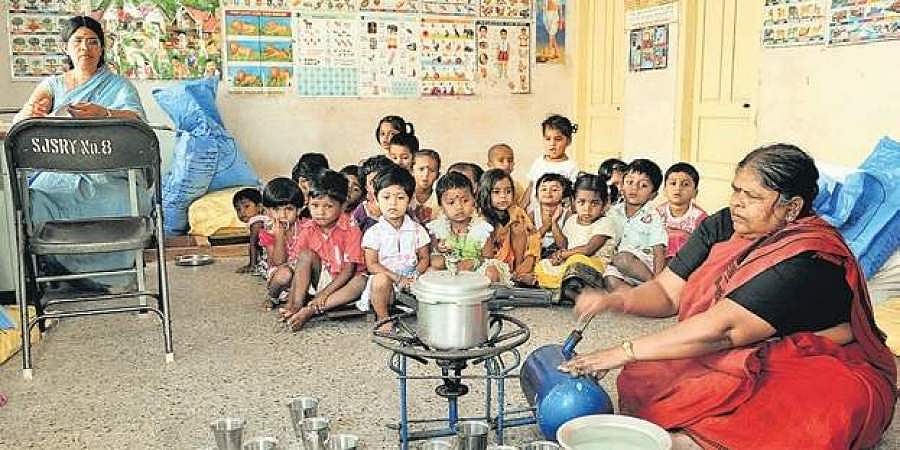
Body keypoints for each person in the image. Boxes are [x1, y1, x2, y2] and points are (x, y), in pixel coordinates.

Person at [561, 144, 897, 449]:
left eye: (751, 196)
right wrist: (614, 299)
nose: (736, 202)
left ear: (792, 208)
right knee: (644, 379)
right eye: (736, 190)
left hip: (816, 359)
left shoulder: (807, 256)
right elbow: (666, 291)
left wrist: (621, 351)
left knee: (814, 415)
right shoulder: (724, 224)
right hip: (741, 348)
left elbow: (725, 330)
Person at [12, 16, 146, 283]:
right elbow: (20, 123)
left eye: (93, 42)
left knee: (121, 197)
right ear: (66, 48)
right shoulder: (52, 84)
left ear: (102, 49)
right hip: (61, 171)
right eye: (78, 41)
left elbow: (138, 122)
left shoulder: (118, 85)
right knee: (34, 197)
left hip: (108, 172)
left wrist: (105, 113)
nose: (86, 47)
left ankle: (106, 277)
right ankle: (57, 268)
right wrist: (34, 111)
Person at [281, 170, 367, 330]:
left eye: (328, 206)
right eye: (315, 205)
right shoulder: (307, 228)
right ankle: (297, 307)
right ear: (308, 203)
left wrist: (324, 294)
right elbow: (298, 267)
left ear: (343, 206)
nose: (320, 212)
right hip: (321, 278)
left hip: (345, 284)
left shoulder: (351, 229)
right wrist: (291, 300)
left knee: (361, 281)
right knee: (305, 255)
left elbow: (349, 271)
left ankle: (311, 310)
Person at [360, 167, 431, 332]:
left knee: (432, 272)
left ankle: (427, 312)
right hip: (388, 286)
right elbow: (372, 265)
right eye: (386, 197)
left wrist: (414, 275)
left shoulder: (417, 229)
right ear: (376, 200)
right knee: (379, 280)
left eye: (400, 197)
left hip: (412, 282)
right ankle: (383, 317)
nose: (392, 204)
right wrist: (398, 278)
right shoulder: (374, 232)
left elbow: (424, 258)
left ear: (410, 199)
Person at [534, 173, 620, 289]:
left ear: (605, 204)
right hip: (570, 263)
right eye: (581, 202)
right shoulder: (572, 220)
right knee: (542, 264)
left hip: (594, 267)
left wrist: (563, 254)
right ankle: (572, 290)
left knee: (577, 260)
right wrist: (554, 223)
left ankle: (571, 289)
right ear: (574, 201)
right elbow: (563, 245)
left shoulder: (605, 223)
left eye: (594, 203)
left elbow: (588, 249)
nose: (587, 208)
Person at [603, 159, 667, 292]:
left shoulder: (653, 216)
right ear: (622, 185)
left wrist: (658, 278)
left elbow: (659, 252)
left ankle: (655, 288)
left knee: (622, 259)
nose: (634, 188)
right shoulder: (613, 212)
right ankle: (636, 296)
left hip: (644, 264)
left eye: (643, 185)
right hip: (618, 264)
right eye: (629, 182)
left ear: (653, 195)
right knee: (609, 279)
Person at [478, 169, 541, 286]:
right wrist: (507, 226)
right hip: (493, 263)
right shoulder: (482, 217)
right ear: (486, 193)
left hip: (516, 261)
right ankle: (515, 277)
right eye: (496, 192)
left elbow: (533, 236)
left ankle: (517, 273)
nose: (503, 196)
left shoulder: (517, 212)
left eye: (508, 191)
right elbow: (488, 251)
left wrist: (530, 258)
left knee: (518, 226)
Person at [427, 172, 493, 273]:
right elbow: (434, 254)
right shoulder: (438, 228)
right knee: (433, 266)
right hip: (450, 267)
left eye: (465, 200)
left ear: (474, 200)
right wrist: (440, 250)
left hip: (475, 270)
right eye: (451, 202)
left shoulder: (481, 229)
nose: (459, 207)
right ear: (441, 205)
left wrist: (473, 263)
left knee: (491, 271)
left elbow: (488, 257)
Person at [258, 178, 304, 306]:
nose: (282, 215)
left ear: (298, 210)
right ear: (267, 211)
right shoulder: (268, 232)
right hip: (281, 272)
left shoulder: (306, 227)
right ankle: (272, 296)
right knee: (285, 274)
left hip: (302, 272)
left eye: (289, 209)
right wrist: (279, 237)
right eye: (276, 209)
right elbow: (278, 262)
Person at [525, 115, 579, 206]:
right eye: (548, 139)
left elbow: (573, 197)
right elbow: (530, 189)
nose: (552, 144)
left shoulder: (571, 167)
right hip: (535, 212)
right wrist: (521, 209)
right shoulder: (539, 162)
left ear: (568, 141)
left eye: (558, 139)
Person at [658, 162, 707, 260]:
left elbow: (702, 247)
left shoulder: (700, 218)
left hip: (684, 263)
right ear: (664, 190)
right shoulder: (657, 213)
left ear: (695, 192)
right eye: (673, 183)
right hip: (659, 259)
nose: (678, 188)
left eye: (685, 184)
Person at [530, 173, 572, 259]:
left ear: (564, 196)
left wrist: (554, 222)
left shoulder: (567, 215)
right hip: (536, 252)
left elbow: (563, 246)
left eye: (554, 190)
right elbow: (530, 242)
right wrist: (545, 226)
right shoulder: (533, 214)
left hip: (558, 254)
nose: (548, 192)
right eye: (544, 189)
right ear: (536, 196)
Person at [352, 155, 395, 234]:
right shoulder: (362, 212)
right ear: (366, 187)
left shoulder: (400, 205)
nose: (377, 186)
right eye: (372, 183)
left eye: (381, 181)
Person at [232, 187, 268, 276]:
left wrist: (252, 265)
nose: (242, 212)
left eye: (246, 206)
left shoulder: (256, 222)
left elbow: (253, 245)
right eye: (238, 209)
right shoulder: (263, 219)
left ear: (259, 207)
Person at [410, 149, 441, 224]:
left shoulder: (440, 199)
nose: (426, 175)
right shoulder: (404, 196)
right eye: (421, 169)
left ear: (438, 175)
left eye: (432, 171)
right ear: (412, 171)